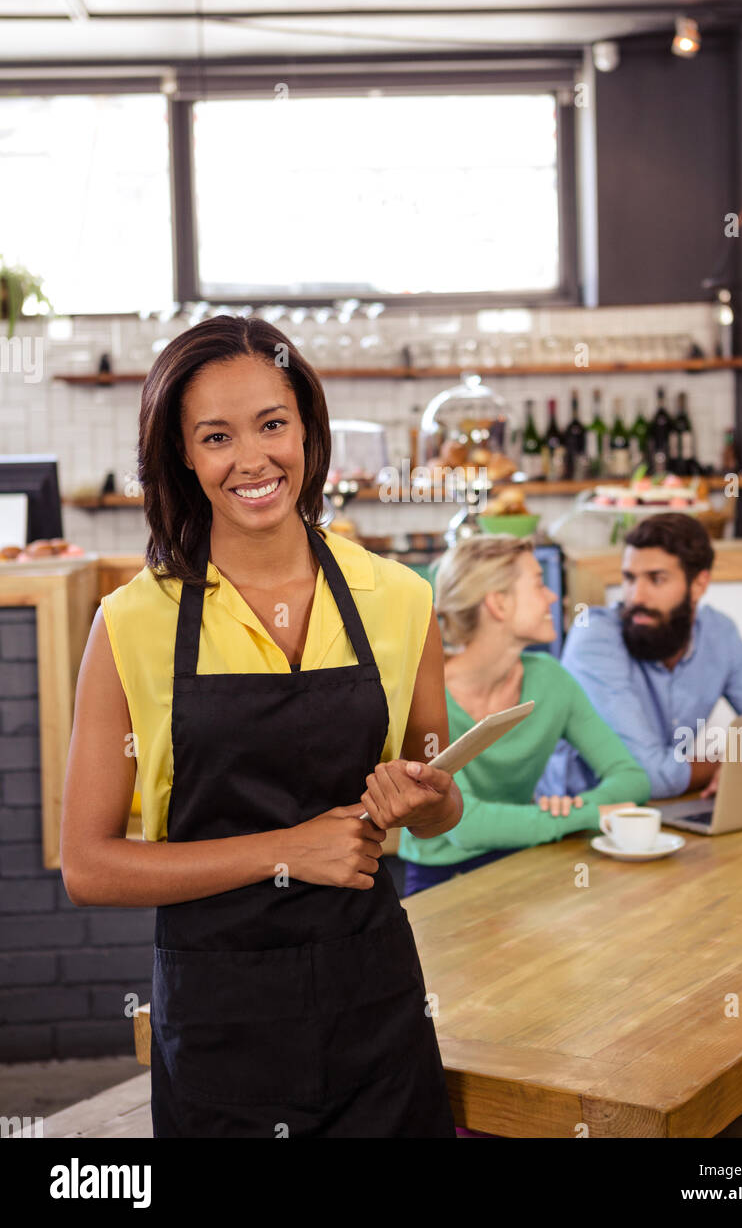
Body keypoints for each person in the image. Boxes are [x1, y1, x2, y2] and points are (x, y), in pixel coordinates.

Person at [60, 315, 461, 1138]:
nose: (252, 459)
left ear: (307, 433)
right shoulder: (131, 624)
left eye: (272, 425)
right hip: (221, 1028)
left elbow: (441, 803)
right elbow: (89, 867)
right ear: (182, 456)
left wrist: (425, 802)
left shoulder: (400, 599)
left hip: (375, 1006)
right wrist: (287, 850)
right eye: (216, 437)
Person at [397, 534, 650, 896]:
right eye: (538, 583)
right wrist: (590, 815)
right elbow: (467, 826)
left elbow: (631, 779)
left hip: (524, 857)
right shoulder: (426, 695)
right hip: (441, 878)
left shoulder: (550, 680)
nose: (553, 597)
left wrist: (572, 808)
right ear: (498, 603)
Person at [536, 513, 742, 806]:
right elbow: (646, 776)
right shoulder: (594, 637)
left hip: (661, 812)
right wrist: (731, 765)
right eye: (629, 578)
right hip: (576, 826)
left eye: (656, 579)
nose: (636, 596)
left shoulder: (719, 634)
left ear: (699, 584)